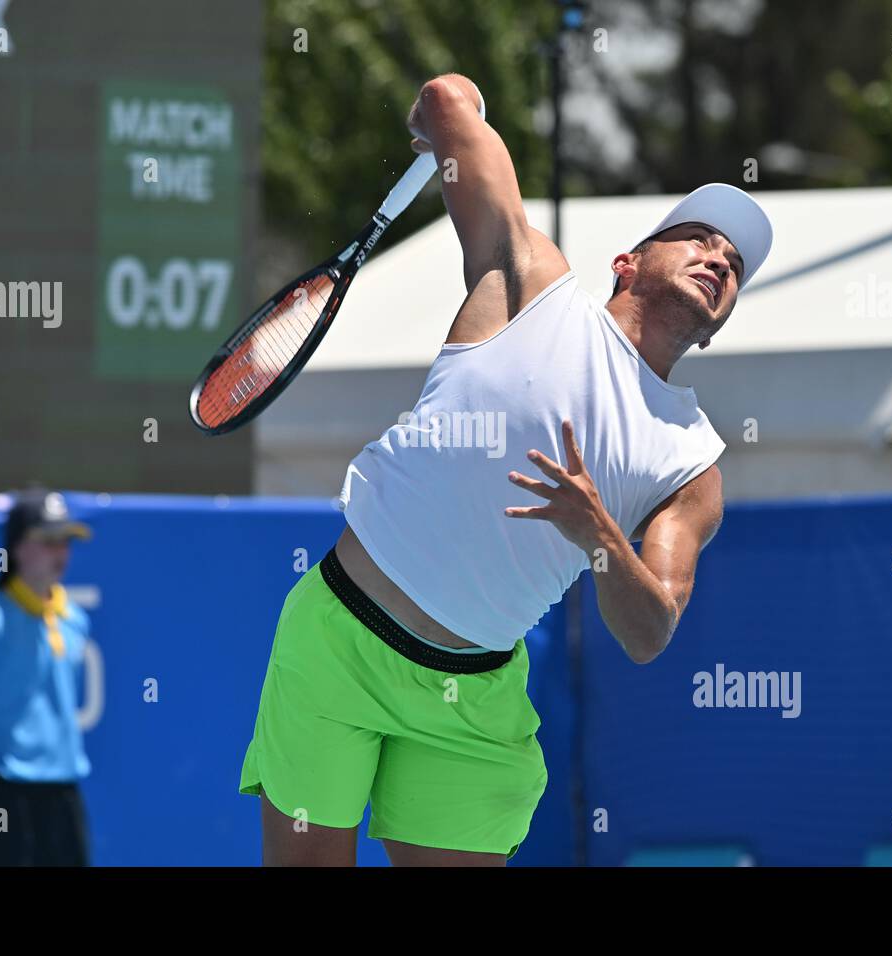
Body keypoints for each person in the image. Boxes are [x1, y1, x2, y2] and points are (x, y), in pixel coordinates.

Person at [239, 73, 773, 866]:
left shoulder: (693, 465)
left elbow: (650, 631)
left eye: (734, 264)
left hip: (473, 700)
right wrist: (450, 116)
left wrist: (598, 534)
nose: (718, 259)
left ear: (720, 321)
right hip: (338, 642)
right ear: (628, 261)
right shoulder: (528, 277)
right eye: (700, 237)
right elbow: (446, 98)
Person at [0, 488, 95, 866]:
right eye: (48, 541)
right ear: (17, 548)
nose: (60, 553)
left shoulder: (75, 620)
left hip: (63, 800)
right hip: (2, 800)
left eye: (65, 542)